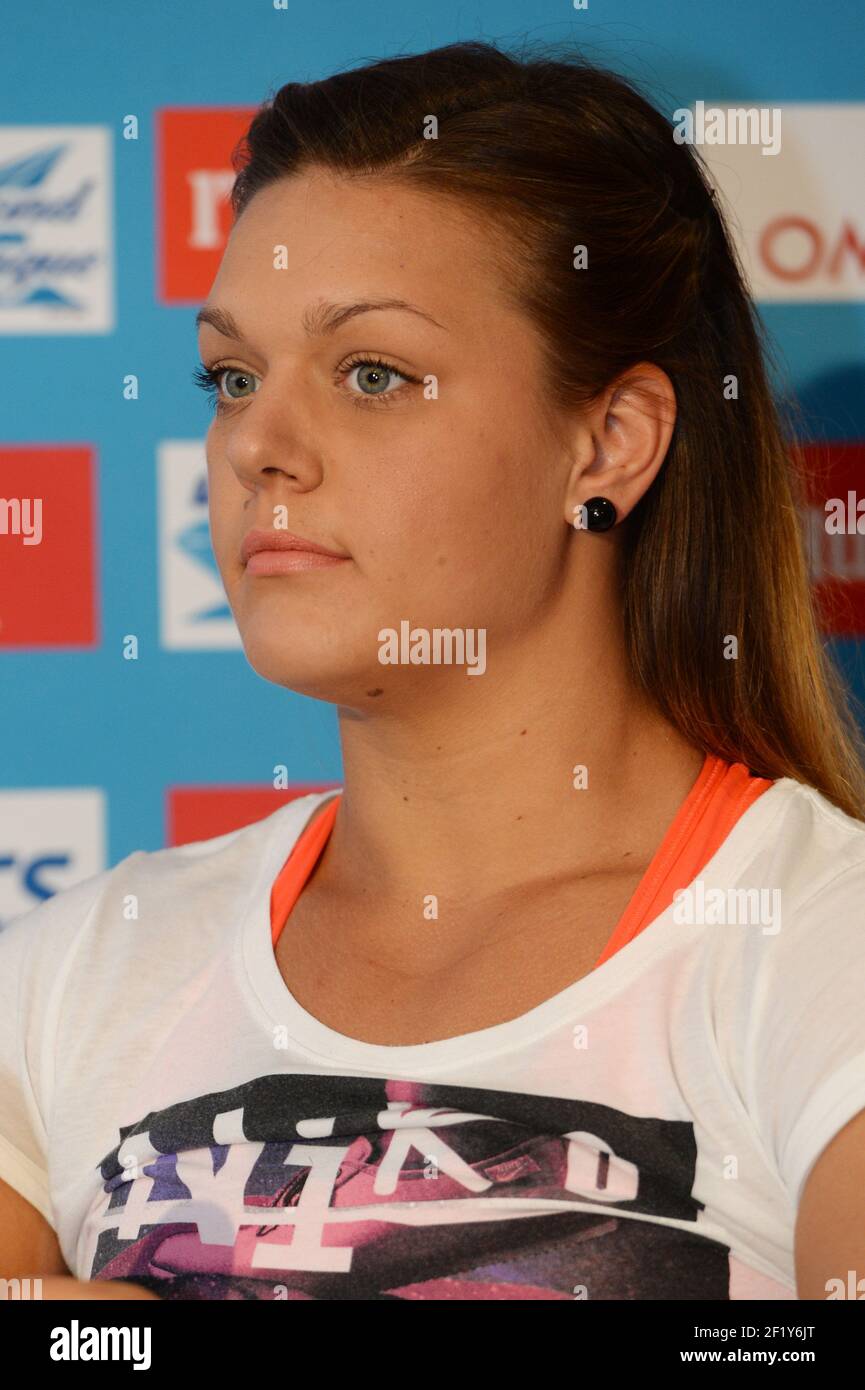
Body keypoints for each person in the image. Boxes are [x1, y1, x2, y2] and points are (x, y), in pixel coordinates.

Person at [3, 39, 865, 1302]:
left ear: (608, 443)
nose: (259, 446)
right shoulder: (79, 968)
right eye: (233, 378)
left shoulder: (813, 948)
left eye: (371, 375)